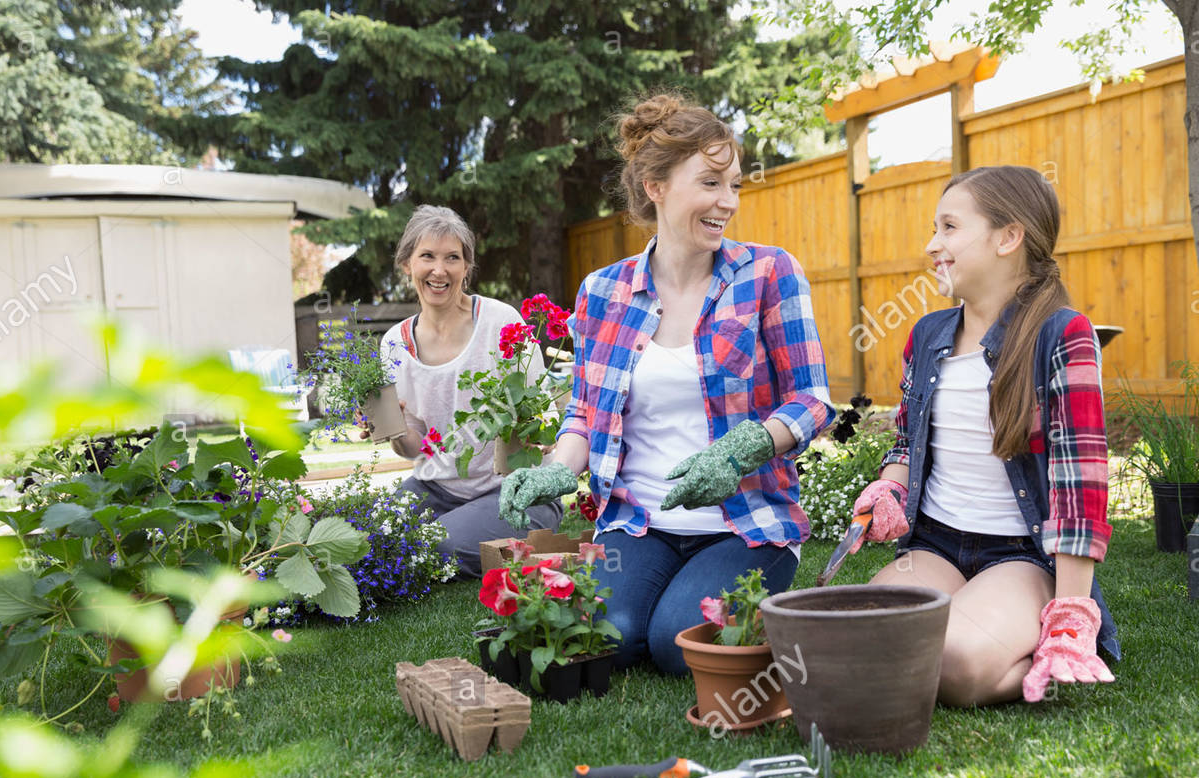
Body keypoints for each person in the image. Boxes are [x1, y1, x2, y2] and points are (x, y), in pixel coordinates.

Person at [498, 95, 835, 675]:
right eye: (710, 183)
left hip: (746, 524)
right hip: (639, 522)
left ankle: (767, 609)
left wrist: (743, 448)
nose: (727, 202)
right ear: (655, 185)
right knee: (610, 636)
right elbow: (585, 411)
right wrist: (559, 466)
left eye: (733, 185)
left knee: (676, 647)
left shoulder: (767, 272)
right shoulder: (602, 292)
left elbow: (812, 400)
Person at [851, 165, 1118, 706]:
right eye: (934, 228)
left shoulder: (1062, 335)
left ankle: (1045, 638)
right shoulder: (926, 335)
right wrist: (890, 487)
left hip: (1020, 556)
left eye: (949, 227)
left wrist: (1071, 612)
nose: (932, 245)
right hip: (936, 545)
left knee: (955, 665)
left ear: (1008, 236)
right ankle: (985, 619)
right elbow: (906, 440)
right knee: (861, 638)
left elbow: (1079, 485)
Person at [380, 205, 561, 578]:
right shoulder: (394, 344)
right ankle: (463, 532)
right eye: (426, 256)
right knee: (376, 533)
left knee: (438, 543)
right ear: (407, 265)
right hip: (436, 489)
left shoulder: (500, 321)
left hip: (515, 490)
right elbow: (417, 448)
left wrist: (537, 435)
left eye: (452, 258)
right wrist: (393, 427)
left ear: (467, 267)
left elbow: (543, 410)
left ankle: (499, 531)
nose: (439, 270)